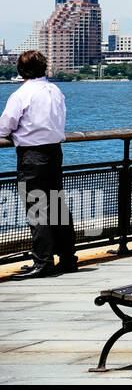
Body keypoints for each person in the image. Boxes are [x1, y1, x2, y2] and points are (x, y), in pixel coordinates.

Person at [0, 51, 78, 278]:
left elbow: (5, 127)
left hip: (31, 155)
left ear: (21, 70)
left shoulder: (21, 94)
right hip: (55, 152)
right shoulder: (55, 90)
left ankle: (43, 262)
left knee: (37, 209)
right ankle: (67, 258)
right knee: (57, 205)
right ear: (44, 68)